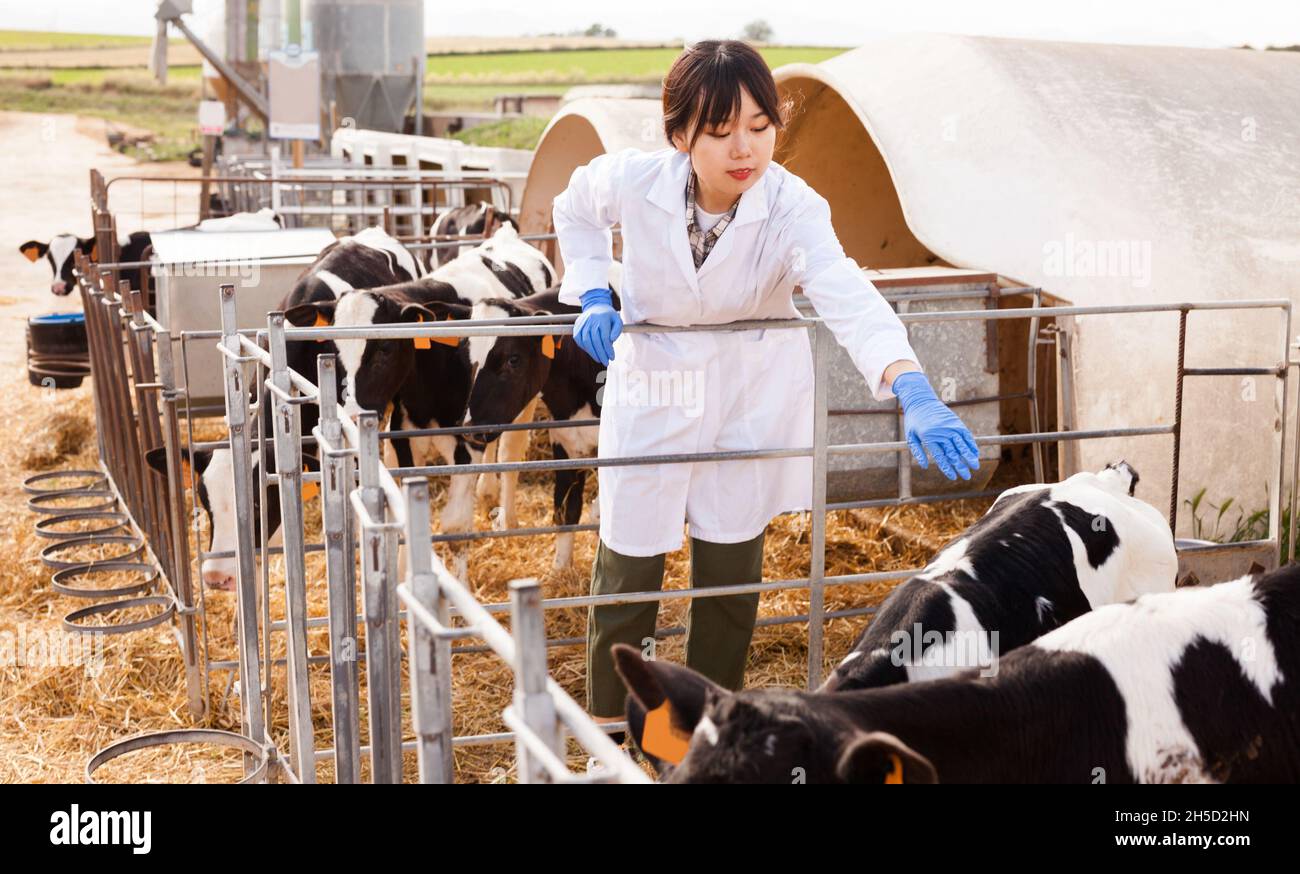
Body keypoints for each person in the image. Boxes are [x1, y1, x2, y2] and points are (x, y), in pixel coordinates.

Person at [551, 39, 980, 736]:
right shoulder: (634, 180)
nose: (744, 148)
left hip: (744, 396)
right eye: (720, 132)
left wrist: (913, 388)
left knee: (730, 571)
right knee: (627, 566)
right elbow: (575, 208)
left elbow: (845, 291)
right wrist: (594, 289)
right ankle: (615, 734)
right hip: (655, 385)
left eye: (760, 125)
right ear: (681, 132)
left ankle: (707, 735)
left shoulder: (791, 205)